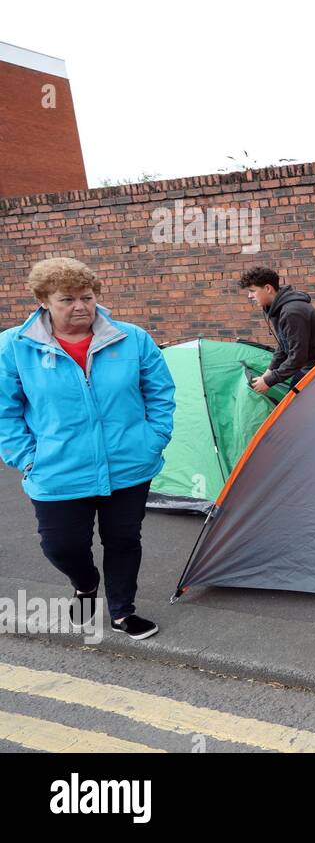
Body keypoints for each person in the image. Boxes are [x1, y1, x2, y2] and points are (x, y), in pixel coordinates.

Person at [0, 258, 175, 640]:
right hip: (56, 468)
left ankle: (122, 611)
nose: (80, 306)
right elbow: (5, 412)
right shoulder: (15, 347)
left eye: (87, 297)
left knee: (124, 540)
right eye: (68, 299)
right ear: (44, 300)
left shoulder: (131, 338)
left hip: (128, 464)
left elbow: (160, 392)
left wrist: (154, 439)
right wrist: (27, 458)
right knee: (61, 546)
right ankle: (85, 584)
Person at [238, 266, 315, 393]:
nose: (249, 296)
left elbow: (298, 357)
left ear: (268, 288)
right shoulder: (277, 308)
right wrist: (269, 372)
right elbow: (284, 344)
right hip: (310, 366)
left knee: (295, 406)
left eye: (252, 291)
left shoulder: (292, 312)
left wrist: (269, 381)